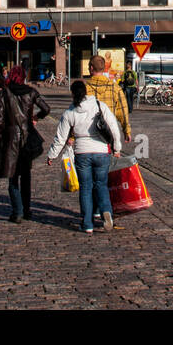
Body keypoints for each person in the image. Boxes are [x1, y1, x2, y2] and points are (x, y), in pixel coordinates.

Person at [46, 79, 122, 233]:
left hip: (82, 153)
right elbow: (113, 127)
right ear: (86, 92)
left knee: (86, 188)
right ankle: (106, 212)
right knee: (101, 184)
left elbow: (61, 137)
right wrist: (116, 148)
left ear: (73, 94)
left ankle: (87, 223)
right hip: (101, 151)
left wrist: (52, 155)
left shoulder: (70, 112)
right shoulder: (100, 106)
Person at [0, 72, 51, 223]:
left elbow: (0, 121)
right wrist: (35, 118)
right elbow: (46, 109)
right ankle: (27, 210)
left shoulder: (4, 94)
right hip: (27, 138)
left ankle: (17, 212)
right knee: (26, 176)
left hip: (11, 138)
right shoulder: (31, 92)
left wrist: (1, 138)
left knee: (13, 177)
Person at [85, 55, 131, 143]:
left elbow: (76, 113)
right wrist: (126, 131)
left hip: (87, 135)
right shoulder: (115, 88)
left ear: (91, 68)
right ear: (104, 68)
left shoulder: (84, 89)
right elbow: (123, 112)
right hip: (108, 133)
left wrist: (72, 137)